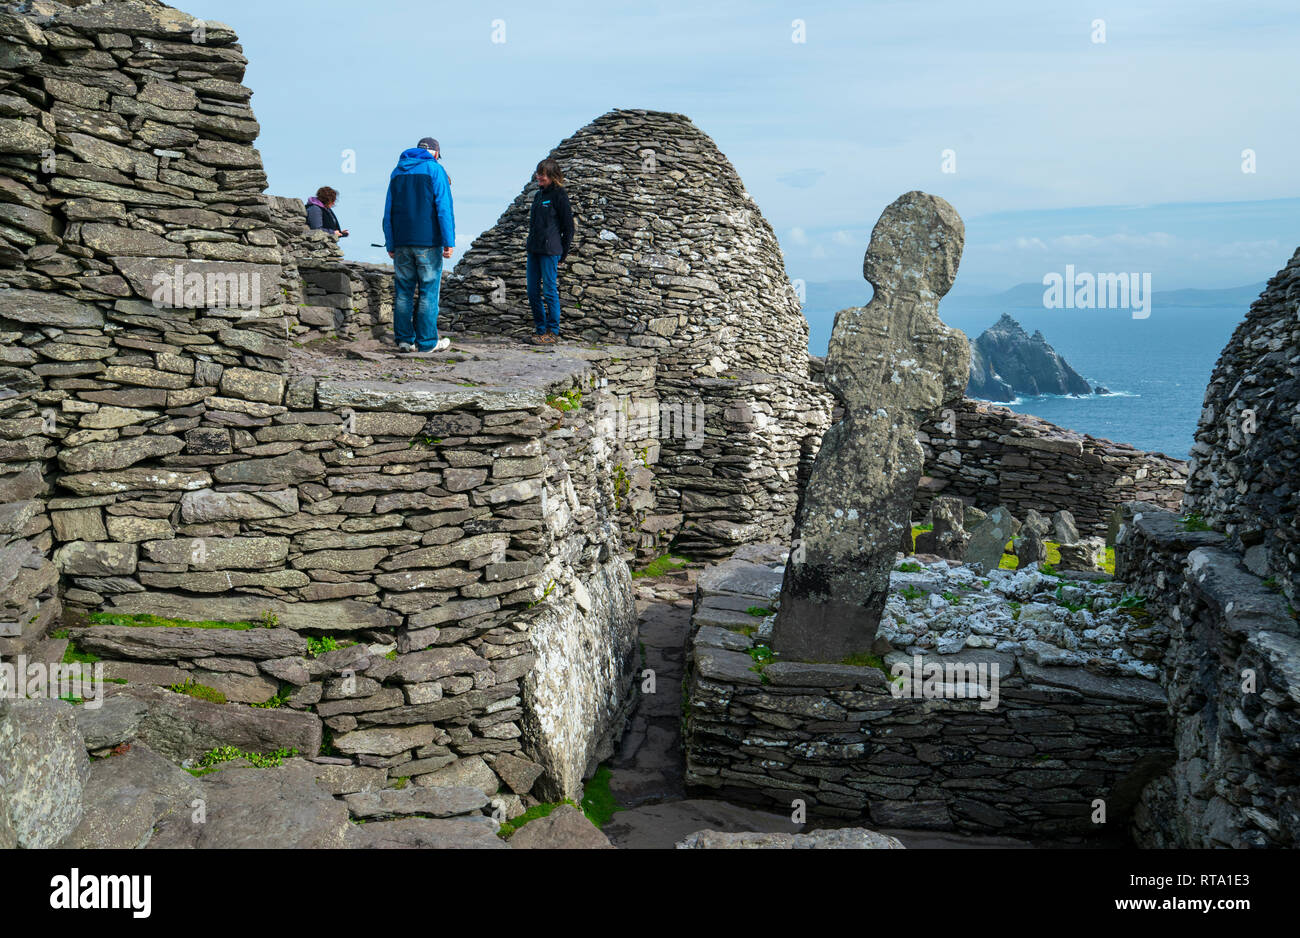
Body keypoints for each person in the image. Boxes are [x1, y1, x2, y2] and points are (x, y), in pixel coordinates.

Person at [382, 136, 455, 354]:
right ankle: (427, 342)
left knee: (403, 292)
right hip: (428, 241)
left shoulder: (397, 172)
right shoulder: (435, 170)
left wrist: (391, 242)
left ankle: (404, 341)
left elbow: (388, 211)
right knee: (428, 292)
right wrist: (448, 241)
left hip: (402, 241)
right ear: (434, 152)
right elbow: (443, 208)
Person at [525, 157, 574, 344]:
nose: (539, 177)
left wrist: (564, 253)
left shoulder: (559, 195)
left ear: (552, 176)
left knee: (549, 291)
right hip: (534, 250)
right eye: (538, 173)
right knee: (532, 291)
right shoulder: (538, 196)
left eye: (542, 174)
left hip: (550, 251)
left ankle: (552, 332)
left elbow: (568, 227)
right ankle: (540, 330)